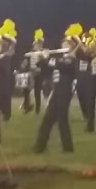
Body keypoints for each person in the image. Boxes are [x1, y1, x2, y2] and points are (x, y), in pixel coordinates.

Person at [33, 26, 81, 154]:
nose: (63, 45)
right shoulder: (61, 57)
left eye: (67, 44)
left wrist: (48, 58)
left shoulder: (71, 59)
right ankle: (48, 147)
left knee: (59, 120)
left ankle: (44, 147)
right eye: (63, 43)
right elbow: (45, 69)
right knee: (52, 120)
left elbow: (60, 65)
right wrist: (42, 58)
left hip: (64, 93)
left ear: (71, 47)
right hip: (57, 92)